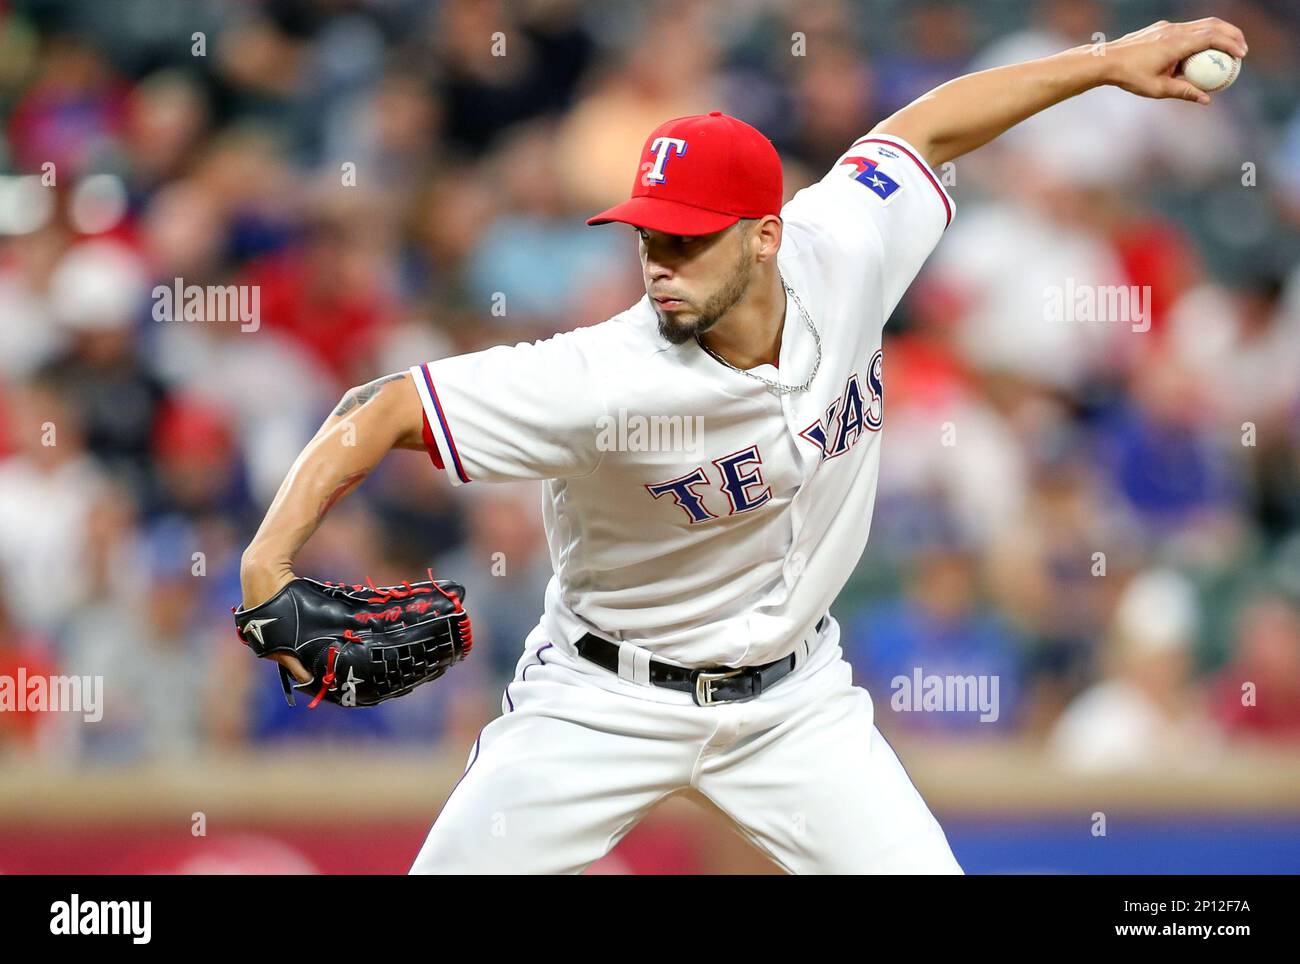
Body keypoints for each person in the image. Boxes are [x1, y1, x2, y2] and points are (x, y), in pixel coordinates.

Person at [238, 18, 1248, 873]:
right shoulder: (597, 377)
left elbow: (928, 126)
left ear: (765, 235)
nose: (659, 263)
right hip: (599, 699)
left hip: (796, 704)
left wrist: (1110, 58)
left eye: (688, 238)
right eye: (647, 235)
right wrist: (264, 562)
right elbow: (373, 409)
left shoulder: (843, 246)